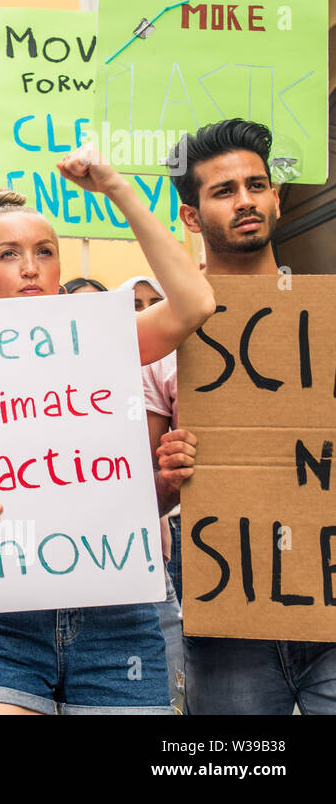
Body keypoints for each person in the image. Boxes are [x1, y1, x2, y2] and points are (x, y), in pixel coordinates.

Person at [0, 143, 215, 715]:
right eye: (9, 254)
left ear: (58, 269)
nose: (29, 266)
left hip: (116, 617)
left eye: (44, 252)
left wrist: (117, 189)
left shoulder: (105, 343)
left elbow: (195, 302)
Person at [146, 118, 336, 715]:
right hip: (228, 621)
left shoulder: (326, 317)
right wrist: (166, 478)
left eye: (256, 185)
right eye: (223, 191)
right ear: (191, 216)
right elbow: (138, 503)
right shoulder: (162, 342)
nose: (246, 200)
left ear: (277, 198)